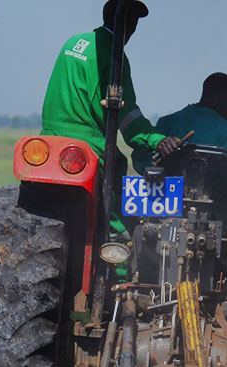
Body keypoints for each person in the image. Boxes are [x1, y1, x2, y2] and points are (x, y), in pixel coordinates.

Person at [39, 0, 181, 238]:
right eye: (133, 23)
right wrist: (157, 140)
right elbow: (128, 118)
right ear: (131, 26)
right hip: (88, 143)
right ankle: (117, 252)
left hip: (50, 141)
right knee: (115, 174)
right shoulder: (115, 57)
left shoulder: (73, 42)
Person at [134, 73, 227, 238]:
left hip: (163, 220)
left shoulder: (167, 123)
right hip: (216, 227)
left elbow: (140, 161)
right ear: (214, 98)